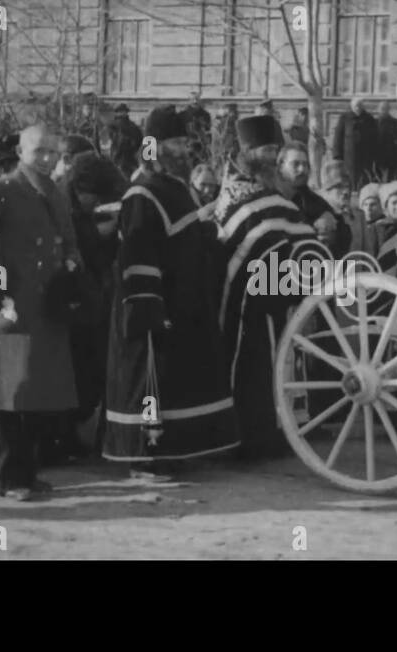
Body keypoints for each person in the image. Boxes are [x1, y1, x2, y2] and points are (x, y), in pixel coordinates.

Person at [0, 124, 82, 502]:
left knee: (34, 395)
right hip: (10, 305)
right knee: (7, 394)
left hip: (45, 308)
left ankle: (26, 472)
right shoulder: (3, 190)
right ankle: (5, 478)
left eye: (53, 152)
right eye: (39, 151)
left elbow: (67, 238)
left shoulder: (53, 191)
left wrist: (73, 262)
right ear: (22, 152)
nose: (46, 158)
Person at [103, 105, 239, 473]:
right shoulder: (141, 193)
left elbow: (188, 239)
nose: (183, 149)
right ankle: (144, 456)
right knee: (150, 385)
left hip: (186, 304)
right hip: (154, 305)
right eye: (176, 143)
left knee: (179, 383)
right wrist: (148, 304)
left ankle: (175, 451)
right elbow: (137, 250)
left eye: (183, 142)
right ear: (156, 146)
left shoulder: (177, 188)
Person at [214, 114, 315, 460]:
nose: (273, 155)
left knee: (278, 362)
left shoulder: (275, 193)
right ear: (248, 151)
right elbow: (237, 240)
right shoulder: (232, 194)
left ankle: (276, 428)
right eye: (267, 149)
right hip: (242, 300)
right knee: (248, 365)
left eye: (276, 148)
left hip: (277, 296)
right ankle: (242, 436)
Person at [58, 152, 129, 461]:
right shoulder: (65, 214)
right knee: (75, 377)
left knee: (87, 376)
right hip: (72, 307)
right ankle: (63, 436)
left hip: (90, 305)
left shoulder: (81, 213)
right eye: (94, 196)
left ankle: (69, 434)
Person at [332, 97, 378, 189]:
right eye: (356, 106)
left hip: (365, 154)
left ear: (363, 106)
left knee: (365, 175)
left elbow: (375, 137)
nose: (358, 108)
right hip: (349, 154)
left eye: (360, 106)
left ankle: (364, 190)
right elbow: (338, 136)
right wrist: (337, 154)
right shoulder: (345, 118)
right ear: (352, 106)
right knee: (350, 175)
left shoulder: (369, 118)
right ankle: (351, 190)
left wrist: (375, 155)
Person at [317, 160, 356, 259]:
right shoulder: (319, 218)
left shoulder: (349, 217)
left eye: (347, 186)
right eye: (339, 187)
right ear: (326, 190)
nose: (346, 192)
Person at [108, 104, 145, 180]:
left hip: (116, 160)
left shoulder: (111, 126)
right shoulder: (134, 127)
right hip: (130, 161)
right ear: (126, 113)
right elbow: (139, 143)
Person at [181, 90, 212, 166]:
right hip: (187, 147)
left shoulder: (206, 115)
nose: (195, 102)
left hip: (202, 148)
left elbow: (208, 131)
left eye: (197, 99)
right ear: (189, 100)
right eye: (192, 99)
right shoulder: (182, 115)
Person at [376, 100, 397, 180]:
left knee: (390, 182)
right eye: (382, 108)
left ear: (389, 110)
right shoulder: (373, 123)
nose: (383, 111)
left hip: (391, 158)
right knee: (377, 181)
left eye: (386, 108)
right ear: (378, 109)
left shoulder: (394, 123)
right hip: (377, 158)